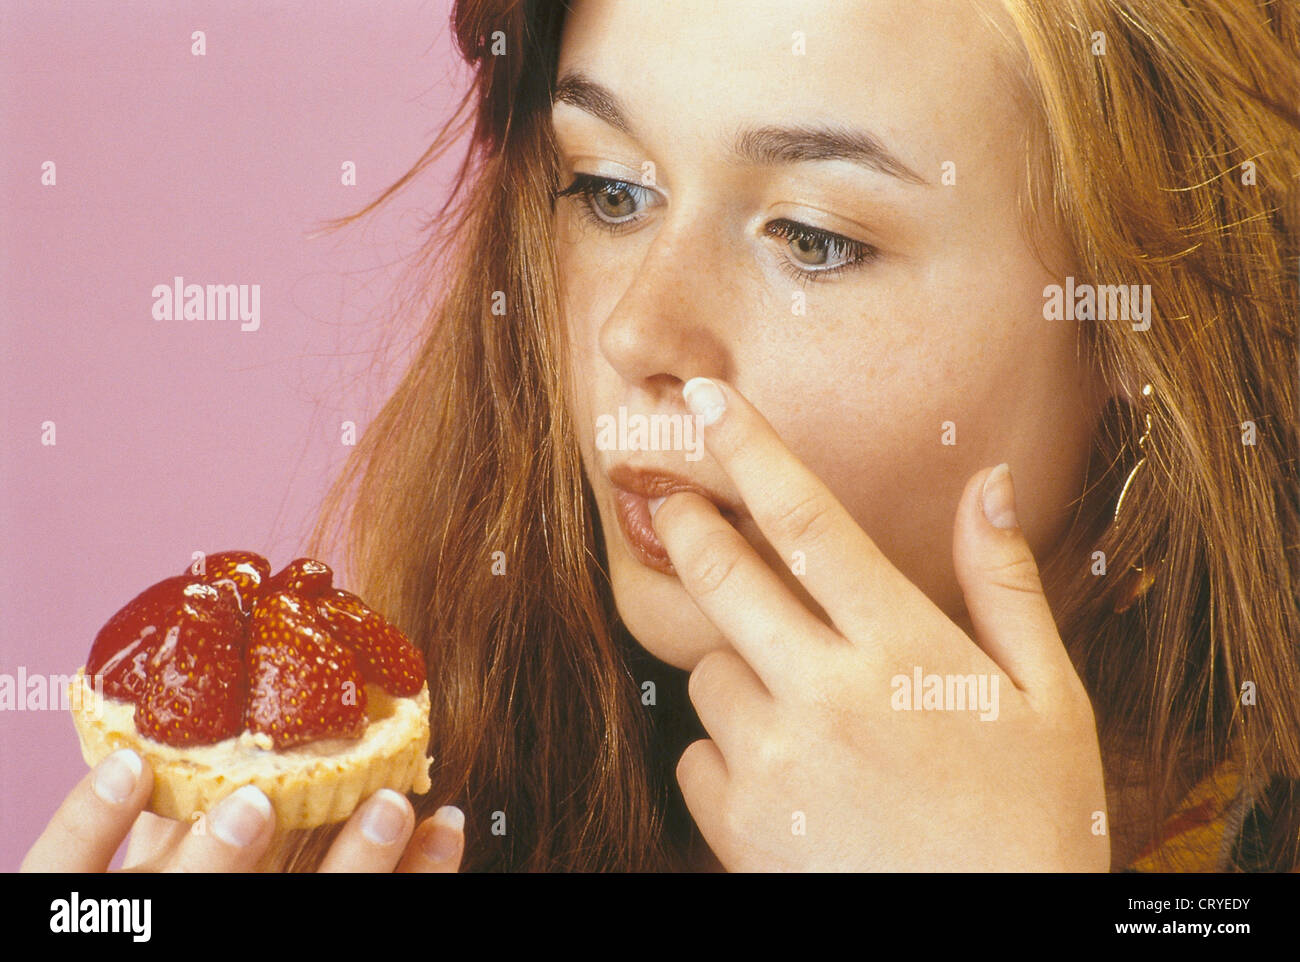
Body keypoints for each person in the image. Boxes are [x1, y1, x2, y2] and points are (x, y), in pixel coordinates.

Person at [23, 0, 1300, 873]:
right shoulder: (427, 815)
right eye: (610, 190)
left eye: (814, 235)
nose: (637, 329)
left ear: (1137, 323)